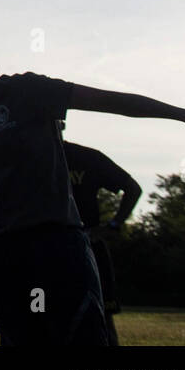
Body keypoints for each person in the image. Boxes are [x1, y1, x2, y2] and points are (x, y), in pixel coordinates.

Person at [0, 30, 185, 346]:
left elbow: (110, 101)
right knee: (22, 339)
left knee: (81, 337)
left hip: (56, 242)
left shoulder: (25, 90)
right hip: (7, 248)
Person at [63, 140, 142, 345]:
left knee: (102, 322)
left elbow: (133, 189)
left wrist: (113, 225)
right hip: (48, 250)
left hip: (88, 249)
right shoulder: (28, 157)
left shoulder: (86, 157)